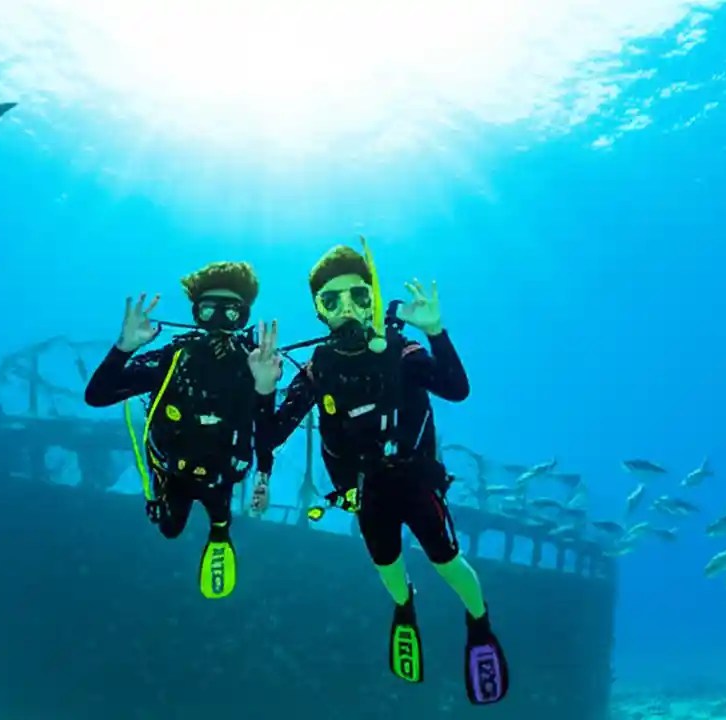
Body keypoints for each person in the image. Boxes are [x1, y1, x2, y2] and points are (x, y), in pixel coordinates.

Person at [248, 241, 509, 705]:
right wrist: (265, 388)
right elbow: (268, 437)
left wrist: (436, 332)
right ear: (318, 311)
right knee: (386, 564)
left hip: (415, 481)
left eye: (357, 296)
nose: (346, 308)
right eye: (332, 300)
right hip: (364, 492)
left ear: (372, 297)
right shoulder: (317, 370)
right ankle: (405, 606)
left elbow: (456, 389)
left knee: (447, 562)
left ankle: (479, 623)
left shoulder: (401, 351)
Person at [84, 261, 277, 600]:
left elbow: (264, 428)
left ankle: (220, 532)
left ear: (243, 316)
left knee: (220, 517)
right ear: (196, 314)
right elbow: (97, 395)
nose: (218, 321)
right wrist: (124, 347)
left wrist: (264, 390)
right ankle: (209, 524)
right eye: (208, 310)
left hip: (221, 474)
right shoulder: (173, 360)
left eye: (230, 313)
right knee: (170, 530)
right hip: (172, 471)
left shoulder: (252, 366)